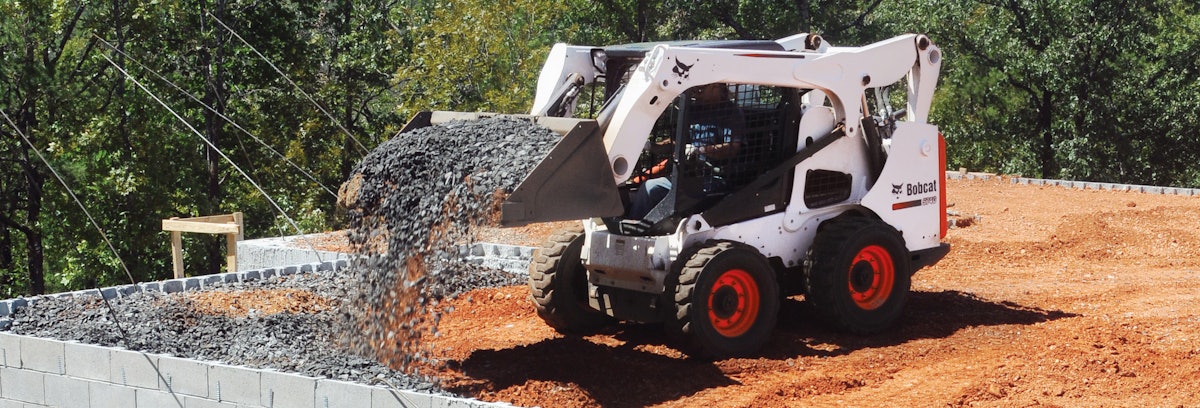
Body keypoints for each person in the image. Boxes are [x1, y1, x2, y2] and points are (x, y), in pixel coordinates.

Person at [628, 83, 746, 220]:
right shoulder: (695, 110)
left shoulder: (731, 112)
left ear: (717, 87)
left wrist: (699, 150)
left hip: (713, 177)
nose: (696, 93)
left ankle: (634, 228)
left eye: (700, 89)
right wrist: (649, 146)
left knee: (651, 188)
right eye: (694, 89)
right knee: (637, 189)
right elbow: (677, 143)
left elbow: (732, 148)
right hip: (688, 174)